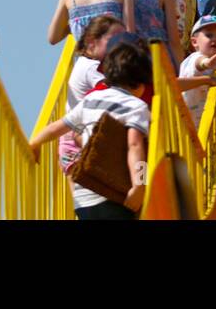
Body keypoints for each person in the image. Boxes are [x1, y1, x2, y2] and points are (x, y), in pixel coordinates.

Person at [29, 35, 153, 220]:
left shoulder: (91, 100)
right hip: (114, 194)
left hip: (83, 196)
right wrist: (139, 186)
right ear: (141, 83)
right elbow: (135, 146)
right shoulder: (137, 107)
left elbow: (59, 126)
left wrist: (36, 142)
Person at [57, 15, 125, 180]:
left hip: (72, 138)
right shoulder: (92, 69)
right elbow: (114, 92)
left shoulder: (84, 63)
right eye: (114, 39)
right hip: (78, 140)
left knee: (83, 200)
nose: (121, 45)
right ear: (91, 42)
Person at [178, 15, 216, 127]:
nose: (215, 39)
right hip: (185, 125)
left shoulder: (214, 59)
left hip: (200, 124)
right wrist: (208, 63)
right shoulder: (194, 58)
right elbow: (200, 64)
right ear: (194, 42)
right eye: (209, 35)